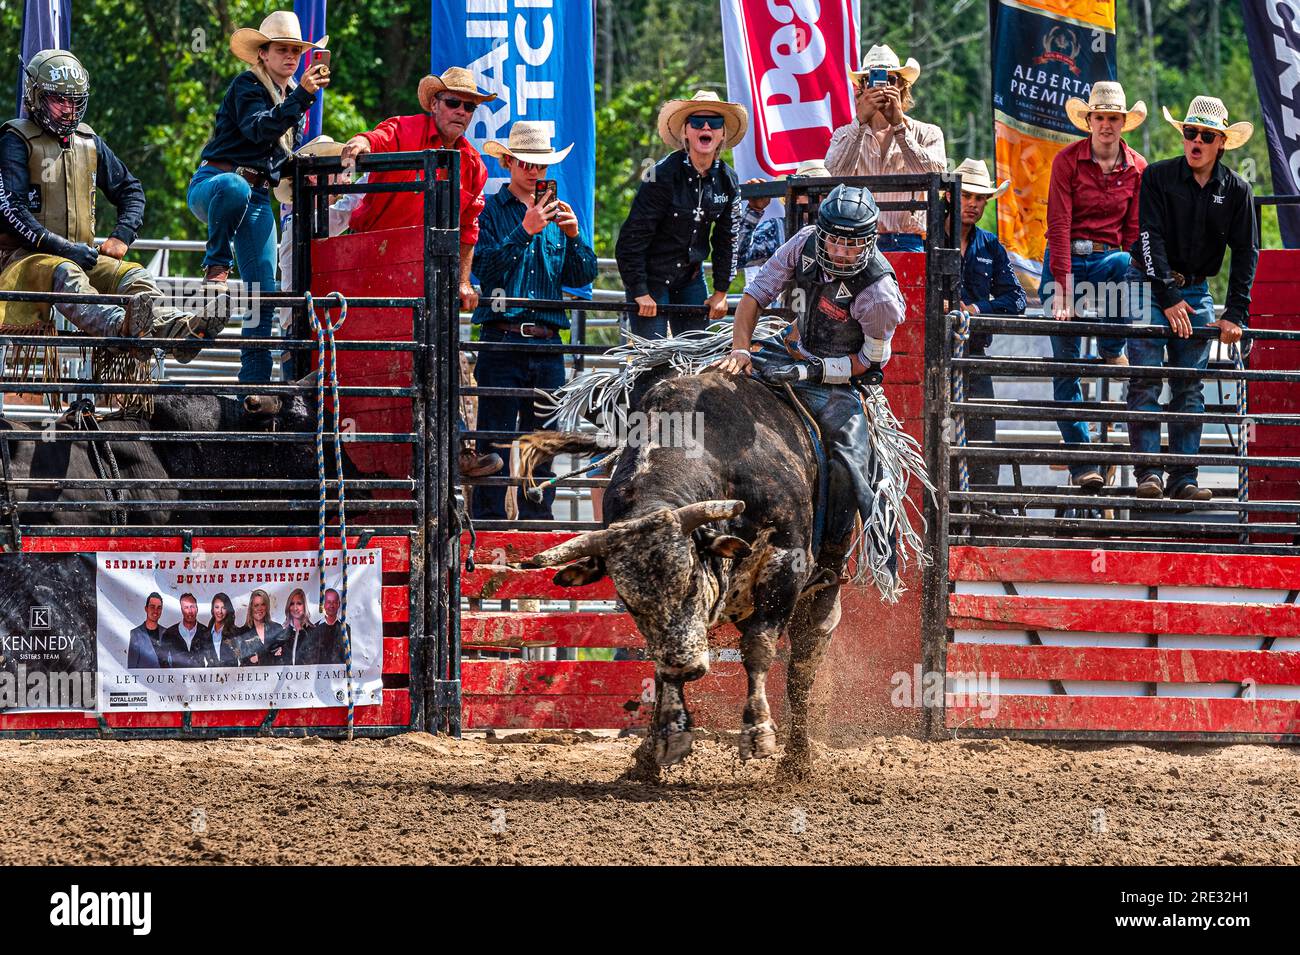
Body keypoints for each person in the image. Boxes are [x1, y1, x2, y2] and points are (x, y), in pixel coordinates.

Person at [717, 184, 906, 568]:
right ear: (821, 234)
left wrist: (814, 370)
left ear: (869, 242)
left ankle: (831, 556)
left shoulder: (880, 295)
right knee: (714, 391)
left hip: (841, 380)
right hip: (786, 348)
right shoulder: (803, 243)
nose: (841, 252)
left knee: (849, 462)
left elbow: (870, 361)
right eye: (834, 241)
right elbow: (755, 296)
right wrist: (740, 349)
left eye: (852, 245)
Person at [0, 50, 224, 363]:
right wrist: (65, 250)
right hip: (24, 260)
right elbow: (12, 210)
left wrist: (122, 234)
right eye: (59, 100)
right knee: (66, 272)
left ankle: (180, 332)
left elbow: (131, 190)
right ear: (36, 97)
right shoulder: (14, 139)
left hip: (79, 256)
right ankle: (120, 329)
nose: (68, 110)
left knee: (135, 275)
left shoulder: (89, 140)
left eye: (75, 101)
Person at [1125, 96, 1258, 502]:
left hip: (1197, 287)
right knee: (1145, 376)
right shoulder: (1159, 177)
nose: (1195, 141)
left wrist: (1235, 312)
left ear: (1220, 142)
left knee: (1189, 386)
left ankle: (1183, 477)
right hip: (1148, 282)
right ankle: (1149, 472)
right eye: (1189, 133)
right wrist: (1167, 296)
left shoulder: (1237, 190)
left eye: (1204, 135)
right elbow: (1149, 236)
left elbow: (1247, 251)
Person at [188, 11, 330, 383]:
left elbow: (278, 157)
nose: (291, 58)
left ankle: (254, 388)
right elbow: (257, 129)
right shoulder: (246, 86)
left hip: (256, 198)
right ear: (262, 54)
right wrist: (302, 96)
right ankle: (216, 268)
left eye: (296, 52)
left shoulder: (289, 98)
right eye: (282, 50)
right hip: (216, 183)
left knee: (263, 298)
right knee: (235, 186)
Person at [469, 122, 598, 521]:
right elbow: (484, 269)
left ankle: (536, 522)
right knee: (494, 440)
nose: (534, 172)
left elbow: (583, 275)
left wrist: (575, 238)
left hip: (545, 344)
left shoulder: (560, 215)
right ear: (508, 162)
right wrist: (524, 233)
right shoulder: (489, 210)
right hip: (502, 337)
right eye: (525, 163)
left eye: (540, 166)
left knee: (543, 442)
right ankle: (488, 525)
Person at [1044, 82, 1148, 491]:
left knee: (1127, 263)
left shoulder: (1137, 167)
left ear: (1124, 123)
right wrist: (1065, 289)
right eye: (1100, 117)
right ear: (1089, 121)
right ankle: (1082, 463)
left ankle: (1111, 347)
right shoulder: (1066, 161)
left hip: (1108, 258)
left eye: (1113, 118)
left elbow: (1135, 232)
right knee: (1064, 367)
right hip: (1067, 258)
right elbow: (1059, 225)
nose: (1106, 125)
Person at [339, 66, 494, 313]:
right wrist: (361, 142)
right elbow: (378, 138)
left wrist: (463, 281)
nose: (461, 112)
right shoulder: (405, 129)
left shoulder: (473, 166)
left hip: (424, 275)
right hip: (369, 258)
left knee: (423, 348)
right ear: (434, 104)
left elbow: (468, 228)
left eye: (469, 107)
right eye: (454, 103)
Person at [614, 90, 746, 338]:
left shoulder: (728, 180)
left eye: (715, 122)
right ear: (686, 131)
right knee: (654, 361)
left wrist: (721, 291)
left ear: (722, 134)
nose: (706, 126)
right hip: (652, 277)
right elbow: (632, 237)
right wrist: (640, 290)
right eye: (697, 121)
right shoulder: (661, 175)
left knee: (695, 355)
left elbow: (728, 239)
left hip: (690, 277)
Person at [825, 45, 946, 253]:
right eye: (872, 80)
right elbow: (833, 176)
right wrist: (860, 122)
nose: (880, 87)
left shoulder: (928, 133)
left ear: (901, 86)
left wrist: (899, 127)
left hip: (908, 240)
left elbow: (937, 177)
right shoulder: (844, 134)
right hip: (857, 238)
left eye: (889, 80)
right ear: (862, 86)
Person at [952, 158, 1027, 489]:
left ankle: (980, 506)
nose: (972, 203)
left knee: (983, 434)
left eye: (979, 197)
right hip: (937, 358)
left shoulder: (990, 246)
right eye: (967, 195)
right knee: (938, 432)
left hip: (974, 355)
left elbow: (1017, 299)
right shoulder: (929, 238)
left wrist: (978, 309)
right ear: (953, 196)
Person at [737, 159, 830, 277]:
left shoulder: (842, 227)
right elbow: (737, 259)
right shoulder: (776, 229)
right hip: (786, 294)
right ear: (796, 198)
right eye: (810, 193)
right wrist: (754, 211)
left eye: (825, 194)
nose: (820, 200)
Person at [158, 594, 211, 668]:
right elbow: (162, 661)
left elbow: (212, 661)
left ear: (197, 608)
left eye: (192, 606)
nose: (190, 611)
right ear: (181, 610)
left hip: (199, 678)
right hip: (176, 678)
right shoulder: (169, 633)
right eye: (186, 607)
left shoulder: (206, 632)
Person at [264, 587, 313, 666]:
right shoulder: (281, 633)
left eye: (299, 603)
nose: (295, 608)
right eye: (292, 604)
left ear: (304, 606)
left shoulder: (313, 631)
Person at [238, 588, 283, 665]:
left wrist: (258, 657)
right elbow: (246, 661)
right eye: (256, 605)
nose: (259, 608)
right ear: (251, 607)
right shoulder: (242, 633)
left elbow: (282, 658)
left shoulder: (277, 629)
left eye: (263, 604)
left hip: (274, 676)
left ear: (267, 607)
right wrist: (271, 653)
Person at [126, 593, 165, 669]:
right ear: (146, 609)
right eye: (152, 607)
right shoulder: (136, 634)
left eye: (159, 608)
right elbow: (132, 668)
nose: (155, 611)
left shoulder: (167, 633)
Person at [205, 592, 245, 667]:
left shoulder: (235, 633)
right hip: (211, 676)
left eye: (223, 608)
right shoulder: (205, 634)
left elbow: (243, 657)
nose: (219, 611)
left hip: (232, 676)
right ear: (212, 609)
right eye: (217, 607)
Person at [308, 588, 345, 665]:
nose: (331, 605)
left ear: (339, 604)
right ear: (323, 605)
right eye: (328, 602)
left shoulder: (346, 629)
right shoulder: (313, 629)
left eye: (334, 602)